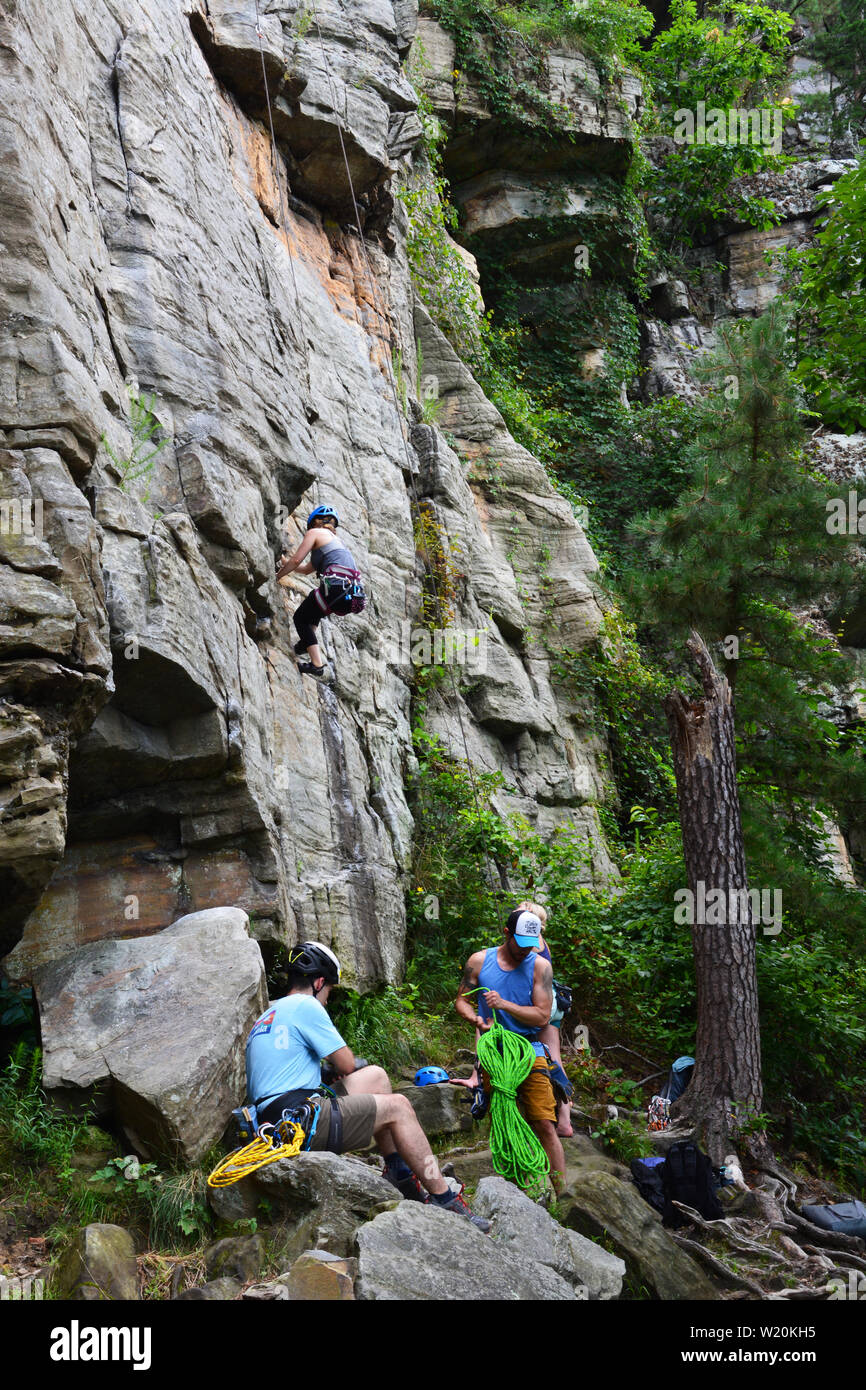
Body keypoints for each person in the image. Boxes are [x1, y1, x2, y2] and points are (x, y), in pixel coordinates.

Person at [245, 940, 490, 1231]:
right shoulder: (306, 1005)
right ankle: (445, 1199)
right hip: (300, 1123)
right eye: (329, 991)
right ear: (319, 982)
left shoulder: (268, 1014)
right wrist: (338, 1067)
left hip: (276, 1122)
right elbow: (347, 1064)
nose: (327, 1000)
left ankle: (399, 1172)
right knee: (398, 1107)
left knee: (377, 1077)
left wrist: (323, 1072)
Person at [455, 909, 567, 1195]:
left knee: (544, 1122)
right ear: (506, 933)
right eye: (521, 943)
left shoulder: (540, 967)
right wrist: (476, 1019)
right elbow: (462, 1001)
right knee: (505, 1121)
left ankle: (563, 1194)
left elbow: (542, 1016)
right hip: (495, 1055)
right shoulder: (479, 961)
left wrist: (504, 1005)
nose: (526, 949)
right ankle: (516, 1193)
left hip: (529, 1051)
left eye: (532, 943)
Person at [276, 505, 365, 680]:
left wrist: (277, 576)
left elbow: (296, 560)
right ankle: (305, 643)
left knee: (300, 617)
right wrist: (284, 561)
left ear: (315, 522)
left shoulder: (315, 533)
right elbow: (305, 569)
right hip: (351, 595)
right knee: (315, 607)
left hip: (336, 588)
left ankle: (317, 664)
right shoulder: (337, 543)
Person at [517, 900, 574, 1139]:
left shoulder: (532, 940)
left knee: (541, 1056)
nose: (516, 911)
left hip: (541, 1003)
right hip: (552, 1002)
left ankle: (548, 1114)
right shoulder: (542, 941)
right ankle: (565, 1119)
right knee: (555, 1058)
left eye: (520, 909)